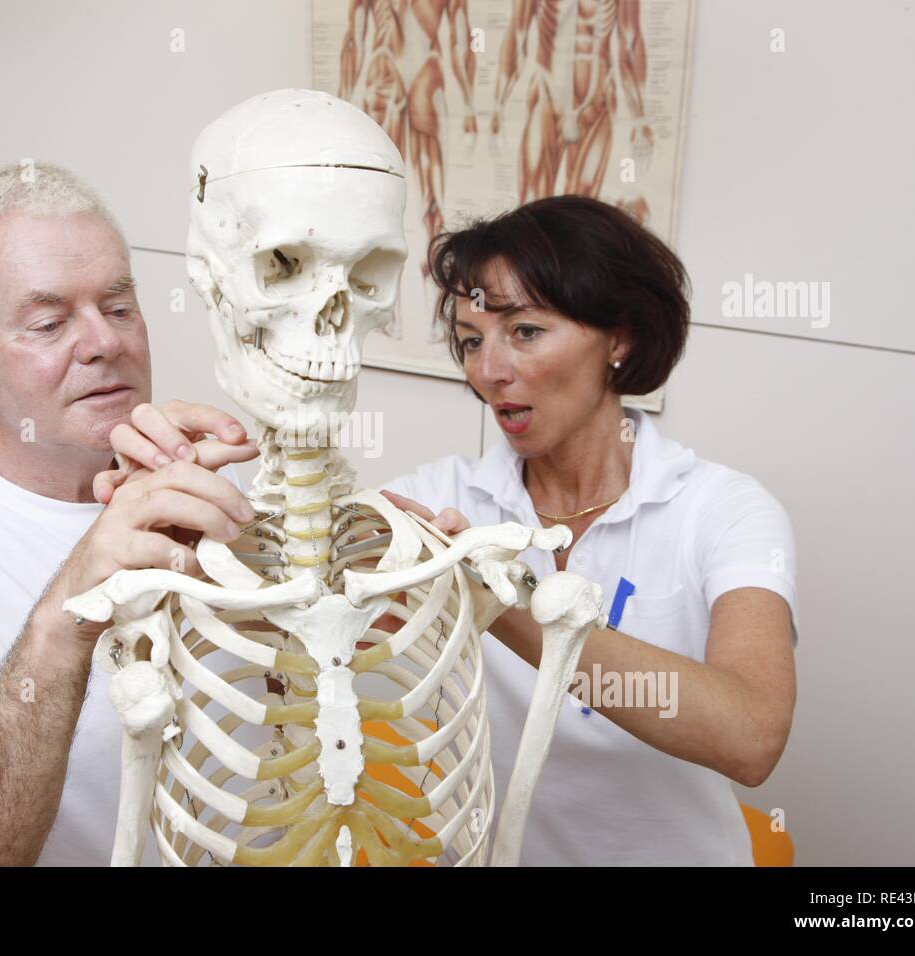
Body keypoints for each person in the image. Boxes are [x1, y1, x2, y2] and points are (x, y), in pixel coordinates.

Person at [114, 196, 799, 866]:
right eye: (472, 343)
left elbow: (751, 736)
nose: (489, 372)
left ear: (618, 337)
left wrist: (502, 602)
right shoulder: (445, 498)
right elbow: (300, 591)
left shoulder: (724, 510)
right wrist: (181, 501)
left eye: (525, 332)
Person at [0, 163, 257, 865]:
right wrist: (70, 607)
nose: (103, 342)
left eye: (119, 308)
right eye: (50, 322)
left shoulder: (210, 479)